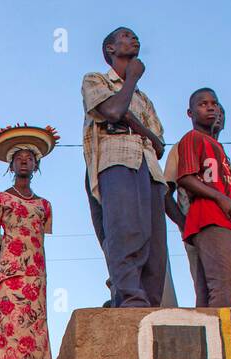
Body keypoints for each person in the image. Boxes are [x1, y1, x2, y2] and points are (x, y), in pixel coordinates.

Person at [82, 26, 168, 307]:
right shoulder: (96, 80)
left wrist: (134, 124)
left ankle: (150, 302)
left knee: (155, 243)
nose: (134, 39)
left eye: (135, 36)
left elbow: (158, 143)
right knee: (125, 230)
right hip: (115, 160)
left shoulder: (144, 99)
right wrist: (131, 78)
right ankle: (130, 298)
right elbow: (113, 111)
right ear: (110, 49)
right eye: (126, 36)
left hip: (151, 170)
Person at [0, 124, 57, 359]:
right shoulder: (0, 199)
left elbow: (40, 241)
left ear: (36, 165)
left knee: (35, 323)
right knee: (11, 324)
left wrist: (40, 276)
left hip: (36, 274)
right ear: (11, 165)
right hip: (9, 272)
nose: (24, 162)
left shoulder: (44, 205)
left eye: (29, 158)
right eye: (19, 158)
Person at [173, 90, 231, 307]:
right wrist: (220, 198)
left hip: (222, 219)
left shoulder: (217, 146)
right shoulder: (192, 138)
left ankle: (206, 336)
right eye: (203, 104)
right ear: (190, 113)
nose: (211, 108)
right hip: (209, 215)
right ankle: (222, 336)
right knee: (226, 282)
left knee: (207, 289)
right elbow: (185, 177)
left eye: (215, 103)